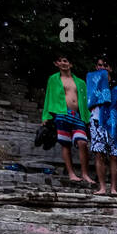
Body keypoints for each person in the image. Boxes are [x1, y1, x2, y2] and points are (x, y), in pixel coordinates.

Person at [41, 55, 93, 184]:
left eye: (65, 61)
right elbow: (49, 97)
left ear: (70, 64)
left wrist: (88, 117)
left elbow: (86, 100)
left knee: (82, 143)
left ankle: (85, 173)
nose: (63, 63)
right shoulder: (53, 79)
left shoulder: (80, 82)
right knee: (66, 144)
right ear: (56, 64)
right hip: (62, 113)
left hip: (78, 115)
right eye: (60, 61)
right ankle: (71, 173)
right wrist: (46, 116)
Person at [86, 57, 117, 195]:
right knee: (99, 153)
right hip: (97, 120)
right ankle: (102, 187)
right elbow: (90, 102)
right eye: (99, 65)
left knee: (115, 156)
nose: (102, 67)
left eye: (105, 65)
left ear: (110, 68)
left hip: (114, 122)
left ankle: (114, 188)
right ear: (96, 67)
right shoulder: (92, 82)